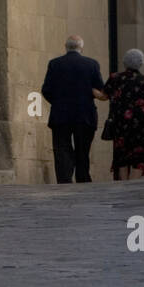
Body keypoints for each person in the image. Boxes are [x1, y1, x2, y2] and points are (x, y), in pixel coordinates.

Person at [39, 35, 106, 184]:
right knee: (83, 149)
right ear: (81, 47)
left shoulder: (55, 64)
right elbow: (100, 88)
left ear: (66, 46)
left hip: (60, 113)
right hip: (85, 114)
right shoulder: (92, 64)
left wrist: (57, 102)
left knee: (62, 148)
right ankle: (82, 178)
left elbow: (46, 90)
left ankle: (64, 178)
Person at [102, 48, 144, 180]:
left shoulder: (115, 78)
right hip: (141, 124)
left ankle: (124, 185)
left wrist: (89, 89)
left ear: (125, 62)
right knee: (140, 155)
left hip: (120, 123)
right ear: (141, 63)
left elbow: (103, 95)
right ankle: (133, 182)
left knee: (122, 155)